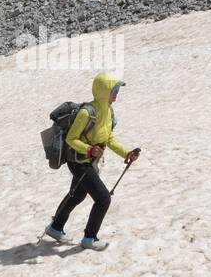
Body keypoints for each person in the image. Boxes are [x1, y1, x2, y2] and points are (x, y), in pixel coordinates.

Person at [44, 72, 141, 251]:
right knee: (103, 199)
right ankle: (89, 238)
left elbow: (109, 138)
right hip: (78, 161)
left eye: (117, 89)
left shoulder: (108, 111)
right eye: (114, 89)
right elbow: (71, 139)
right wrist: (88, 149)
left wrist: (126, 153)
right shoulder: (86, 112)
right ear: (104, 91)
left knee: (78, 194)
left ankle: (55, 227)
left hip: (90, 160)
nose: (117, 93)